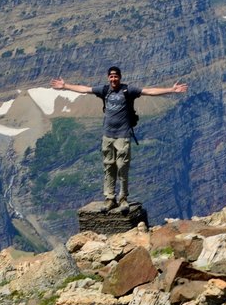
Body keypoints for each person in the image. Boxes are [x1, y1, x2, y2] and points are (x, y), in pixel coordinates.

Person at [50, 67, 188, 210]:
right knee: (109, 166)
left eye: (116, 76)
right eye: (111, 76)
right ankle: (110, 198)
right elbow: (85, 89)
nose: (113, 79)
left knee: (122, 167)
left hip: (122, 135)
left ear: (120, 77)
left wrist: (171, 90)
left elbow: (148, 91)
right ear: (108, 78)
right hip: (108, 135)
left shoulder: (128, 90)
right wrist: (65, 86)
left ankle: (123, 198)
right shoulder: (104, 90)